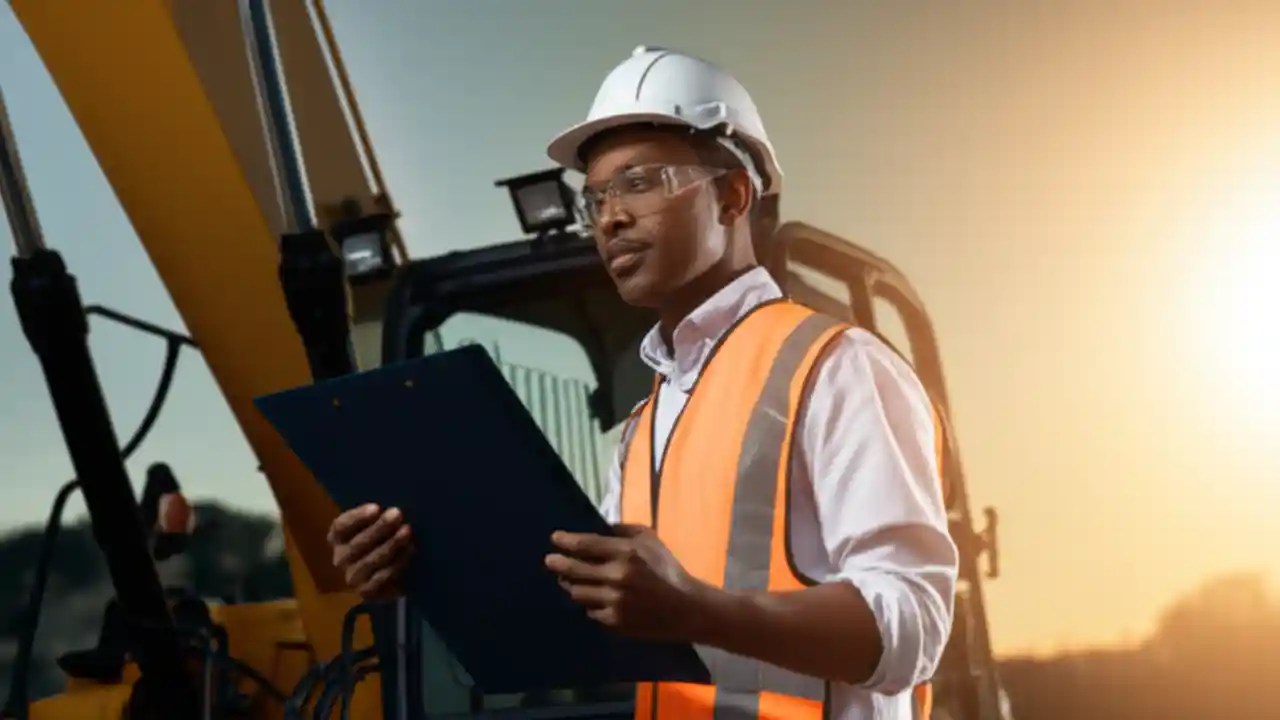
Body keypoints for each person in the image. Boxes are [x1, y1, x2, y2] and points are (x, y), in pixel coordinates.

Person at [325, 45, 958, 720]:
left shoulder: (839, 368)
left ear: (732, 195)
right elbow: (589, 624)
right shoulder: (643, 429)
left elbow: (913, 628)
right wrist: (422, 575)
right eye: (595, 197)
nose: (609, 218)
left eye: (639, 182)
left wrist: (695, 609)